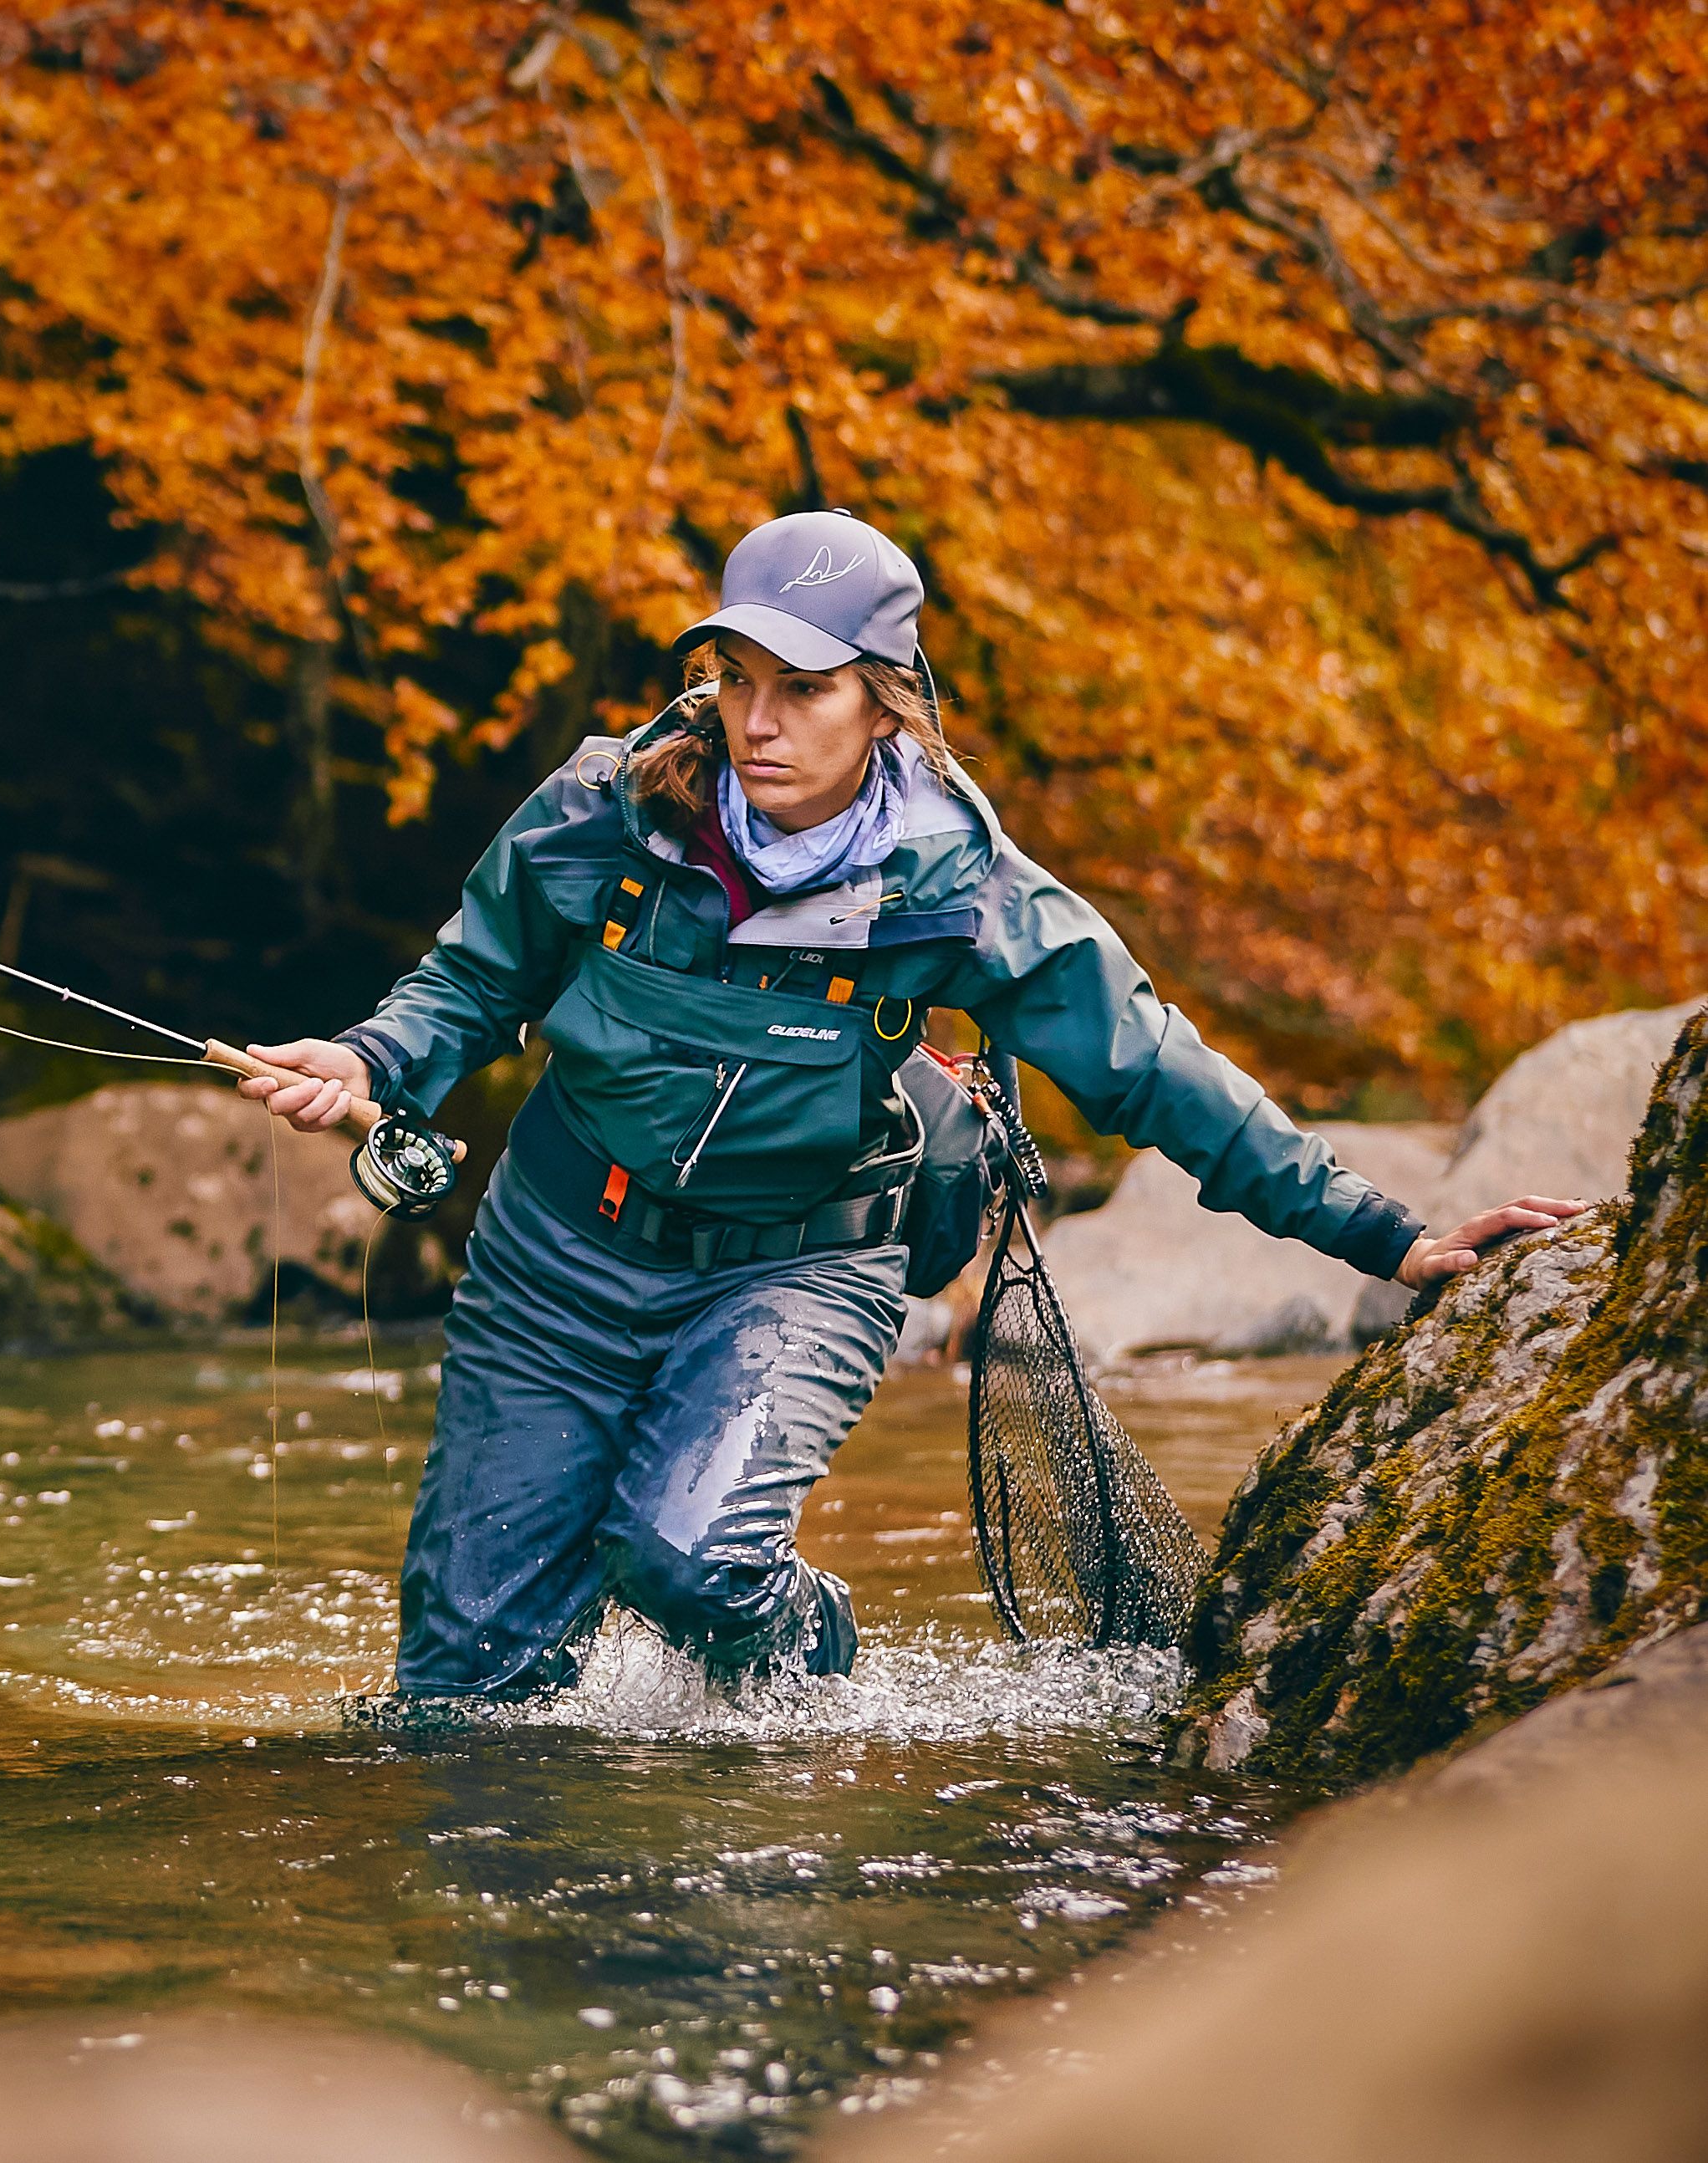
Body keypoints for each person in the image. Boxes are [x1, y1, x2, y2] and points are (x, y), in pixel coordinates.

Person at [240, 510, 1584, 1701]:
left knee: (691, 1560)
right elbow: (473, 981)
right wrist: (369, 1062)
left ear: (884, 702)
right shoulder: (605, 807)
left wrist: (1388, 1238)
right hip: (554, 1260)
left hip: (801, 1271)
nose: (756, 721)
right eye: (736, 679)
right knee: (459, 1690)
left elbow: (1157, 1073)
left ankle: (804, 1648)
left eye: (803, 689)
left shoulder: (966, 889)